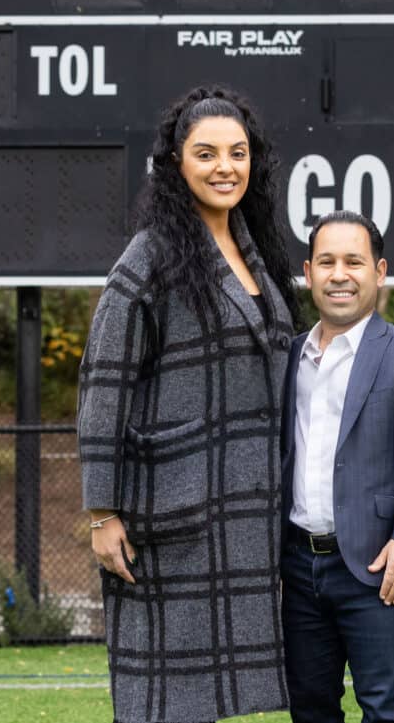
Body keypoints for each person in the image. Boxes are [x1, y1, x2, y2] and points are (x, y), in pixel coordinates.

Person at [77, 86, 299, 723]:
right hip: (171, 515)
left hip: (246, 512)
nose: (225, 167)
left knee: (211, 699)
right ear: (176, 164)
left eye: (238, 153)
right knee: (166, 700)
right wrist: (102, 513)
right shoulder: (148, 257)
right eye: (207, 154)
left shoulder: (257, 250)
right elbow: (103, 386)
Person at [281, 210, 394, 723]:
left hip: (377, 565)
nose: (340, 275)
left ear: (379, 271)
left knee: (385, 710)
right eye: (327, 262)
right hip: (299, 566)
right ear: (308, 272)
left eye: (353, 262)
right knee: (310, 709)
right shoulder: (290, 356)